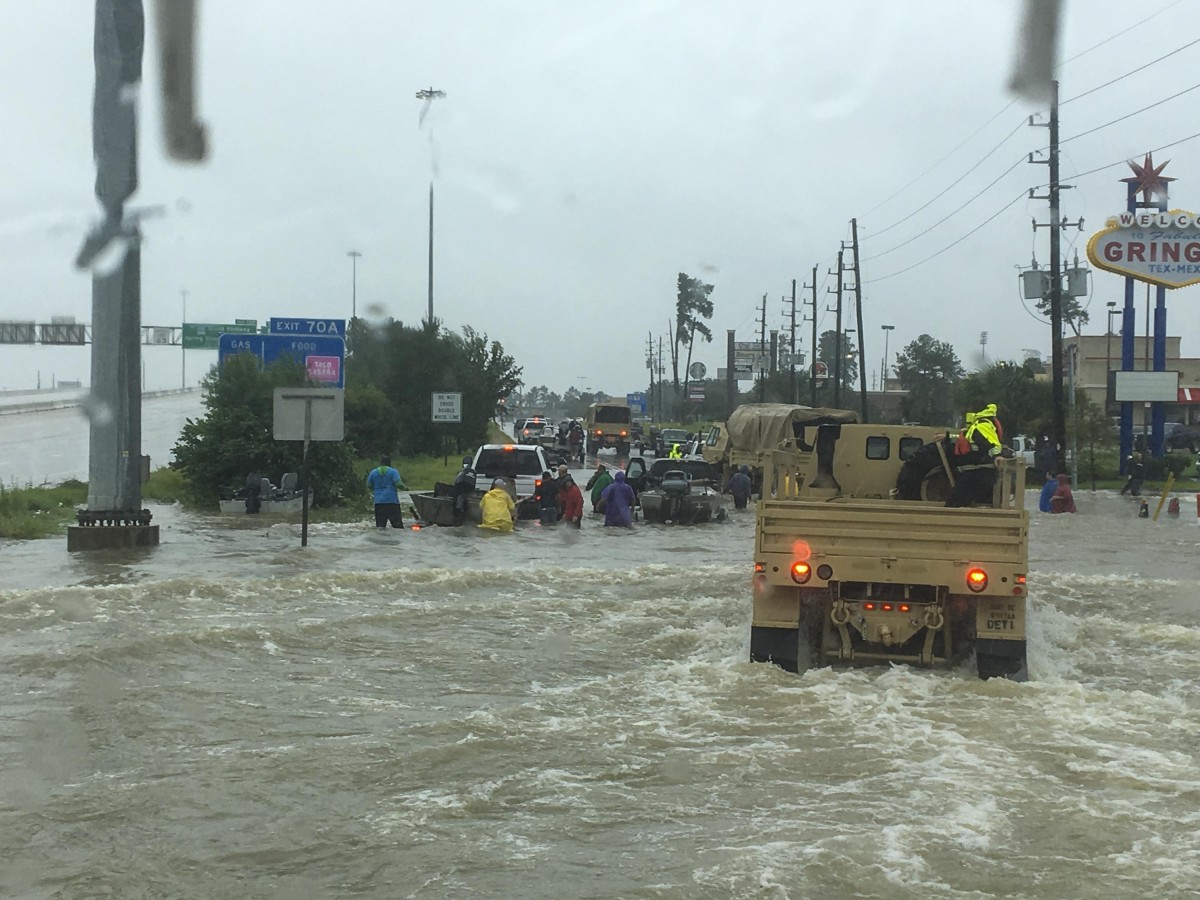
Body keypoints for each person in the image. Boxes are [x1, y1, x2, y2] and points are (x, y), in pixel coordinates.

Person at [945, 403, 1002, 508]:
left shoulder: (982, 426)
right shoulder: (977, 425)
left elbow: (995, 445)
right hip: (975, 473)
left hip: (978, 474)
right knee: (956, 504)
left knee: (954, 505)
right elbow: (967, 437)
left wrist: (997, 456)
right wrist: (946, 436)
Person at [367, 454, 406, 528]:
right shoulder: (393, 472)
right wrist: (405, 488)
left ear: (380, 462)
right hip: (392, 502)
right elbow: (399, 484)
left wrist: (376, 489)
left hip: (379, 503)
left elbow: (369, 485)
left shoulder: (373, 472)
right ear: (389, 463)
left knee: (380, 527)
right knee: (398, 527)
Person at [451, 456, 477, 525]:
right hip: (466, 489)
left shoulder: (462, 472)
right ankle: (459, 512)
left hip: (461, 489)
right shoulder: (471, 472)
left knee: (460, 497)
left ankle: (458, 512)